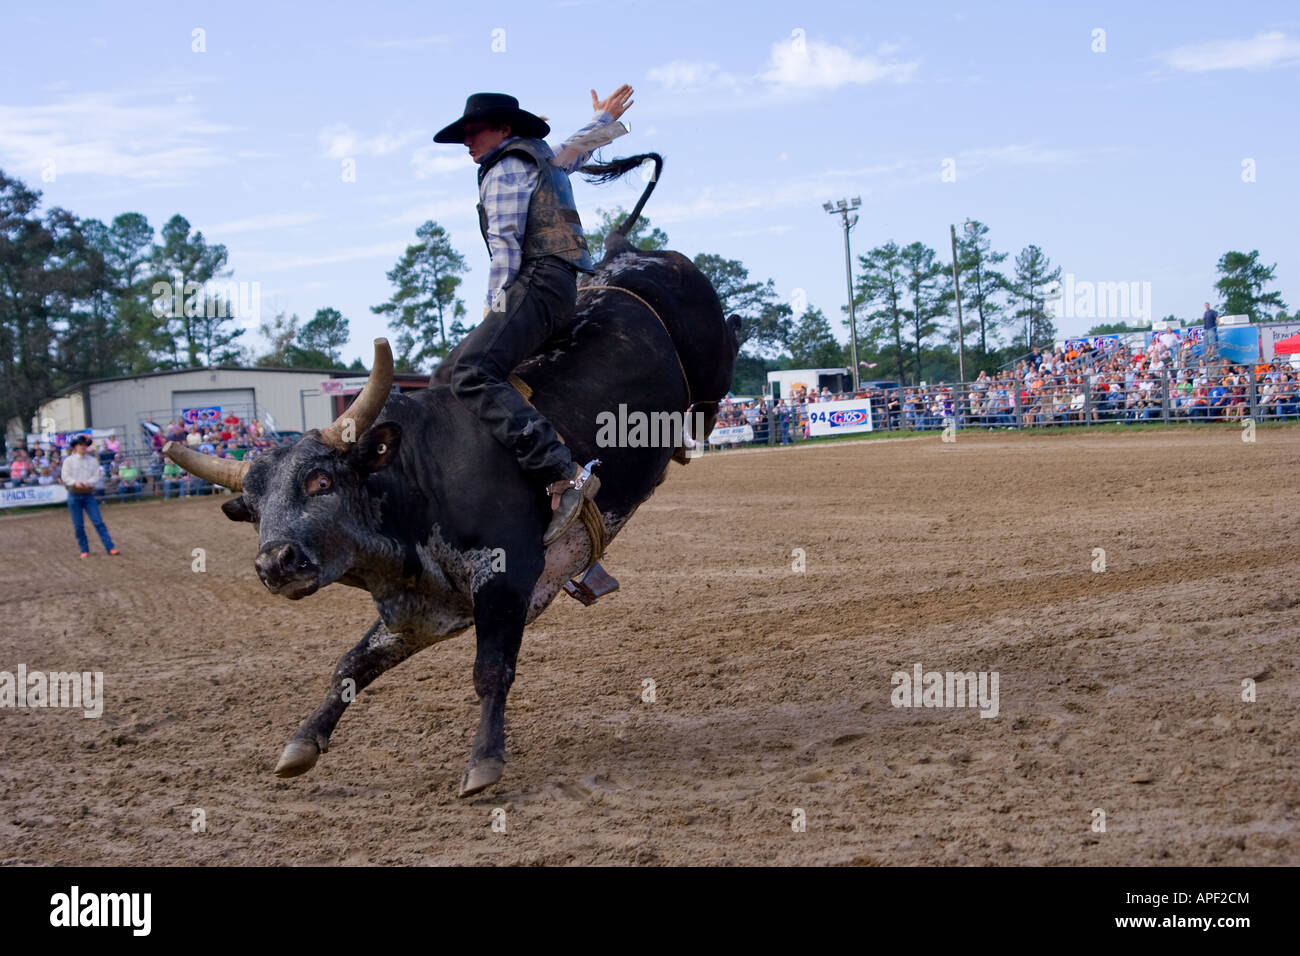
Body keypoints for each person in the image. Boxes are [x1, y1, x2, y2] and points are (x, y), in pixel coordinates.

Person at [433, 87, 634, 545]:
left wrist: (494, 306)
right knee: (456, 371)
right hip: (559, 286)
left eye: (473, 131)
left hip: (537, 282)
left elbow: (505, 246)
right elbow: (574, 151)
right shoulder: (537, 158)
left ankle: (565, 475)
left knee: (471, 372)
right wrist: (603, 118)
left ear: (503, 130)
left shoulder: (503, 168)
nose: (467, 141)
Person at [61, 435, 118, 557]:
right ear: (76, 446)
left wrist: (89, 483)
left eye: (85, 445)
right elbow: (65, 476)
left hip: (87, 494)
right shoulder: (69, 461)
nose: (83, 447)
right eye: (81, 444)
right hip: (74, 494)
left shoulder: (92, 461)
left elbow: (96, 475)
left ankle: (110, 547)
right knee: (78, 525)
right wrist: (75, 483)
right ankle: (84, 550)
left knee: (98, 522)